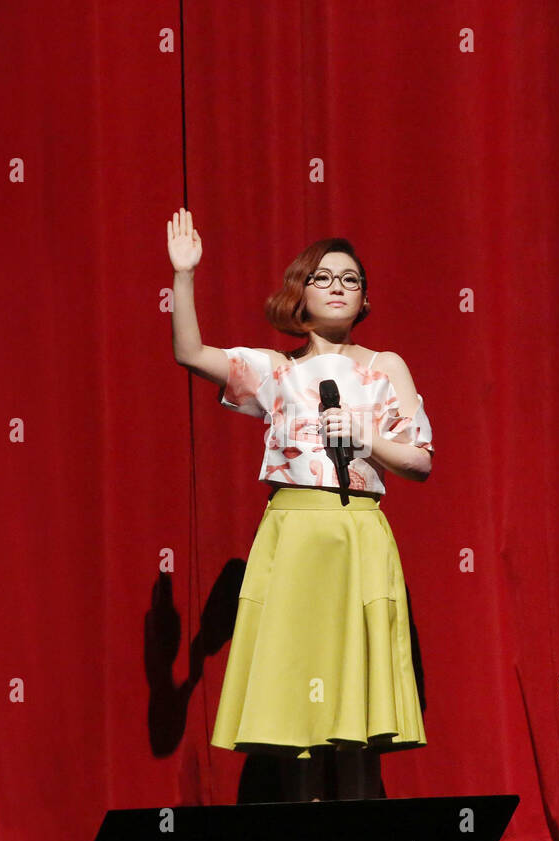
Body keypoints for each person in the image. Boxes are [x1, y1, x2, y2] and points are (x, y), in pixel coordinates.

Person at [166, 207, 434, 802]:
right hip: (292, 538)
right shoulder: (276, 371)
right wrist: (184, 276)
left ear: (364, 300)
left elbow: (420, 461)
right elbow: (190, 353)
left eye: (351, 279)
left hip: (356, 535)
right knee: (299, 726)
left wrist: (364, 439)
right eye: (324, 277)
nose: (338, 287)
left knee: (358, 724)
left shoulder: (385, 366)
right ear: (299, 294)